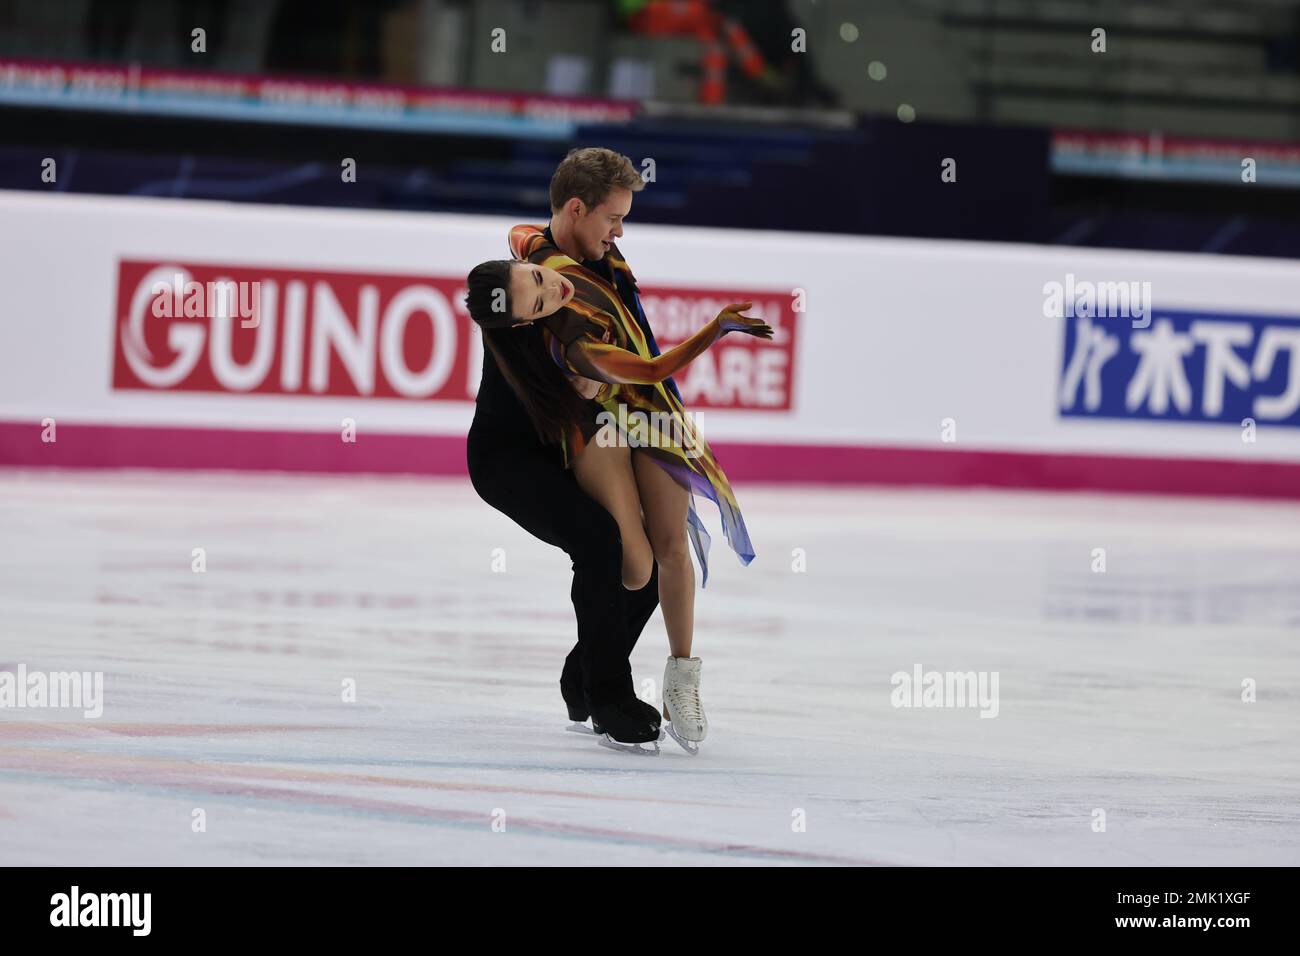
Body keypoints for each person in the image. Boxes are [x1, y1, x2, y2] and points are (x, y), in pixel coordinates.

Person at [464, 152, 770, 752]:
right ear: (526, 320)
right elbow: (639, 363)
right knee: (604, 548)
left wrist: (532, 253)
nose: (549, 286)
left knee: (648, 564)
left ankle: (586, 671)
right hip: (511, 462)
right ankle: (607, 691)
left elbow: (523, 238)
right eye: (614, 218)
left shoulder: (540, 261)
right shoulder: (549, 322)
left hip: (575, 435)